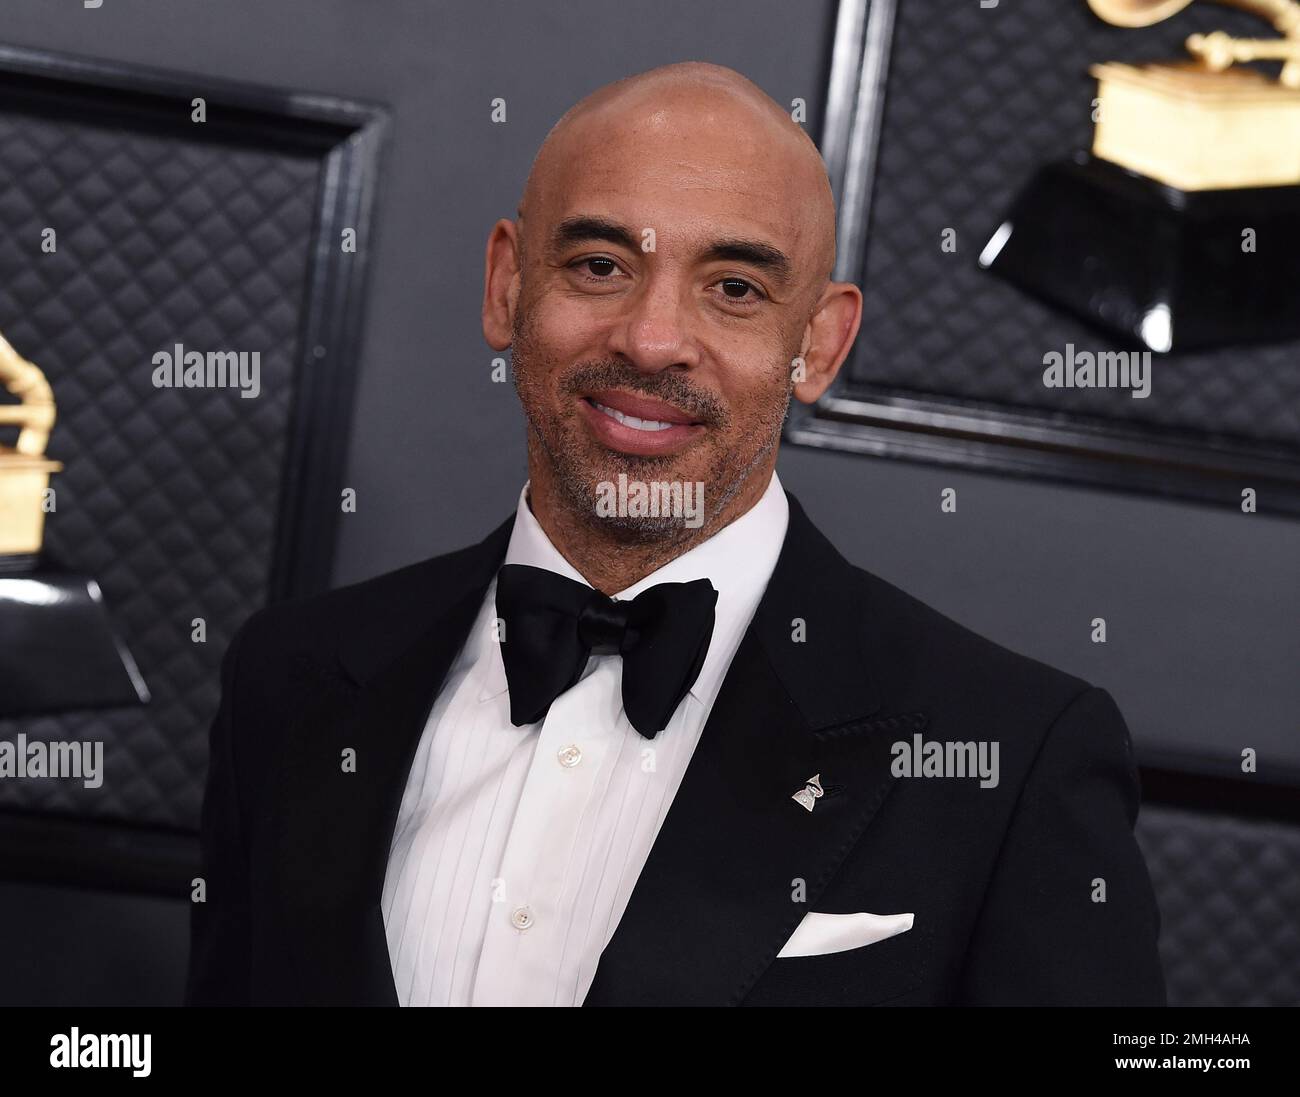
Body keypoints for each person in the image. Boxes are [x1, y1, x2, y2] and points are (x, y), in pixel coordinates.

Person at [185, 62, 1165, 1007]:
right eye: (600, 265)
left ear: (818, 344)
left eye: (734, 287)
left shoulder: (1011, 753)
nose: (652, 341)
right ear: (506, 285)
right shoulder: (290, 678)